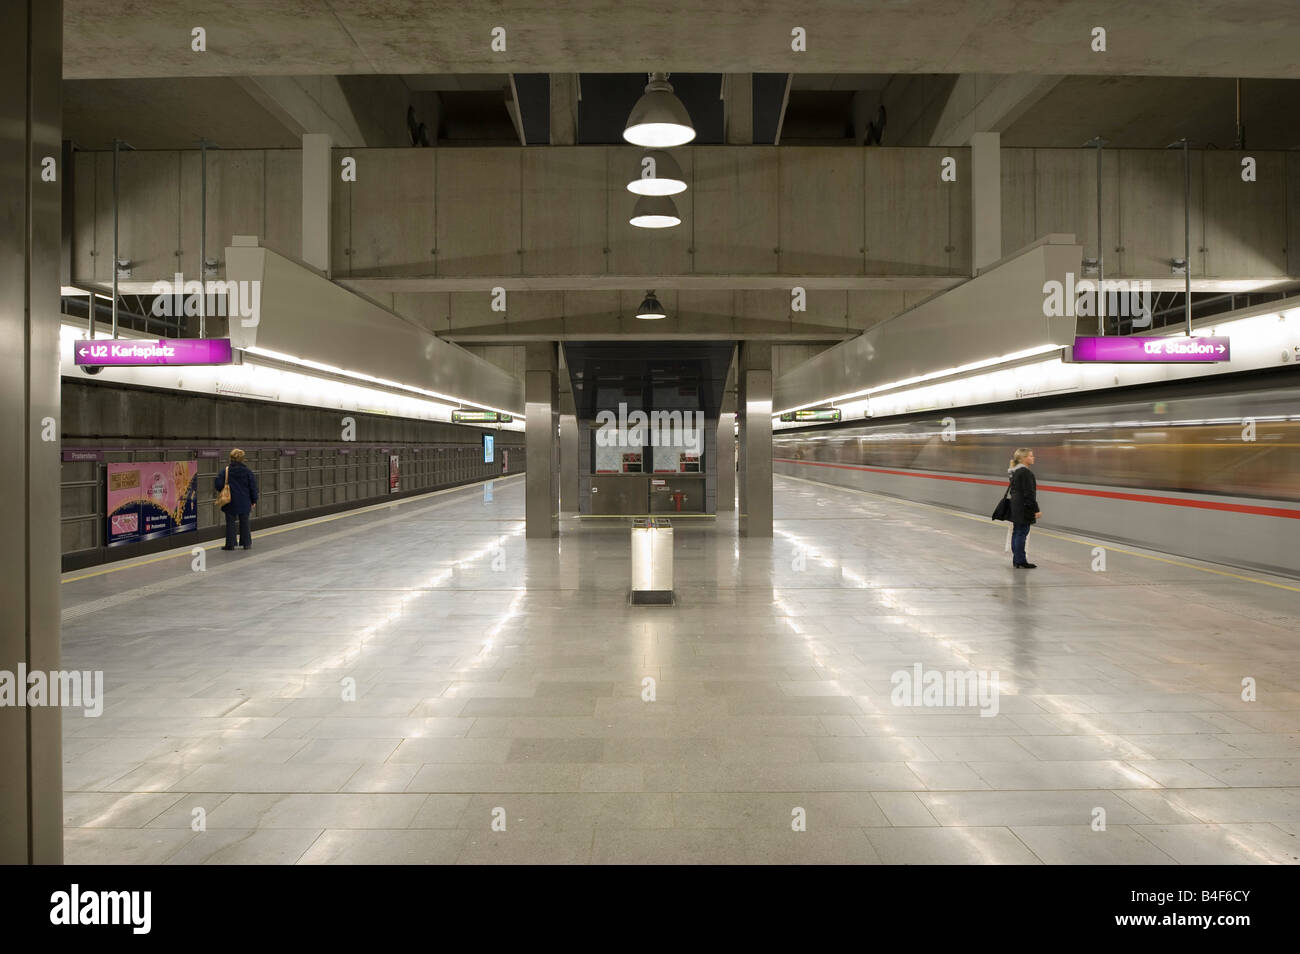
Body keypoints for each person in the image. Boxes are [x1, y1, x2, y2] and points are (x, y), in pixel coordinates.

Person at [215, 448, 259, 550]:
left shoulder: (225, 471)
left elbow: (218, 484)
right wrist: (254, 500)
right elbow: (253, 487)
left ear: (231, 458)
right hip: (244, 501)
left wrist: (224, 488)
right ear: (242, 459)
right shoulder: (247, 472)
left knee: (230, 522)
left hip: (230, 501)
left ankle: (230, 545)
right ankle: (246, 543)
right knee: (245, 522)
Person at [1007, 447, 1042, 569]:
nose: (1033, 457)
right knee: (1022, 533)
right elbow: (1029, 494)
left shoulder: (1014, 471)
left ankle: (1016, 559)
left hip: (1016, 505)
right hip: (1024, 507)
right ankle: (1021, 560)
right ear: (1023, 458)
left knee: (1017, 532)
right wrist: (1036, 510)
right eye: (1030, 456)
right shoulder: (1026, 473)